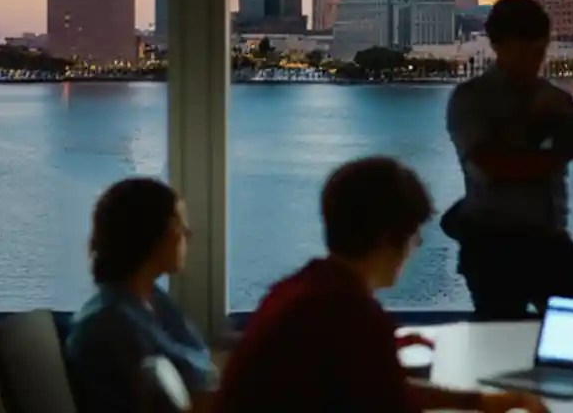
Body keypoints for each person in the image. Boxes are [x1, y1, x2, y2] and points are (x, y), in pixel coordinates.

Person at [214, 157, 547, 413]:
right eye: (414, 234)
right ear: (390, 239)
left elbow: (386, 392)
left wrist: (479, 402)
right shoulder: (351, 314)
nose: (417, 244)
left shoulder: (301, 288)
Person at [444, 0, 573, 320]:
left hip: (549, 239)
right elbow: (491, 168)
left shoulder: (552, 97)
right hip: (492, 245)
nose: (532, 63)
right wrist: (562, 147)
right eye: (523, 53)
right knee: (500, 336)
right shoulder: (471, 99)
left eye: (538, 53)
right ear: (497, 45)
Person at [67, 178, 218, 413]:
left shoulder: (153, 301)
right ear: (151, 234)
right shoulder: (111, 325)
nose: (188, 233)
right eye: (178, 225)